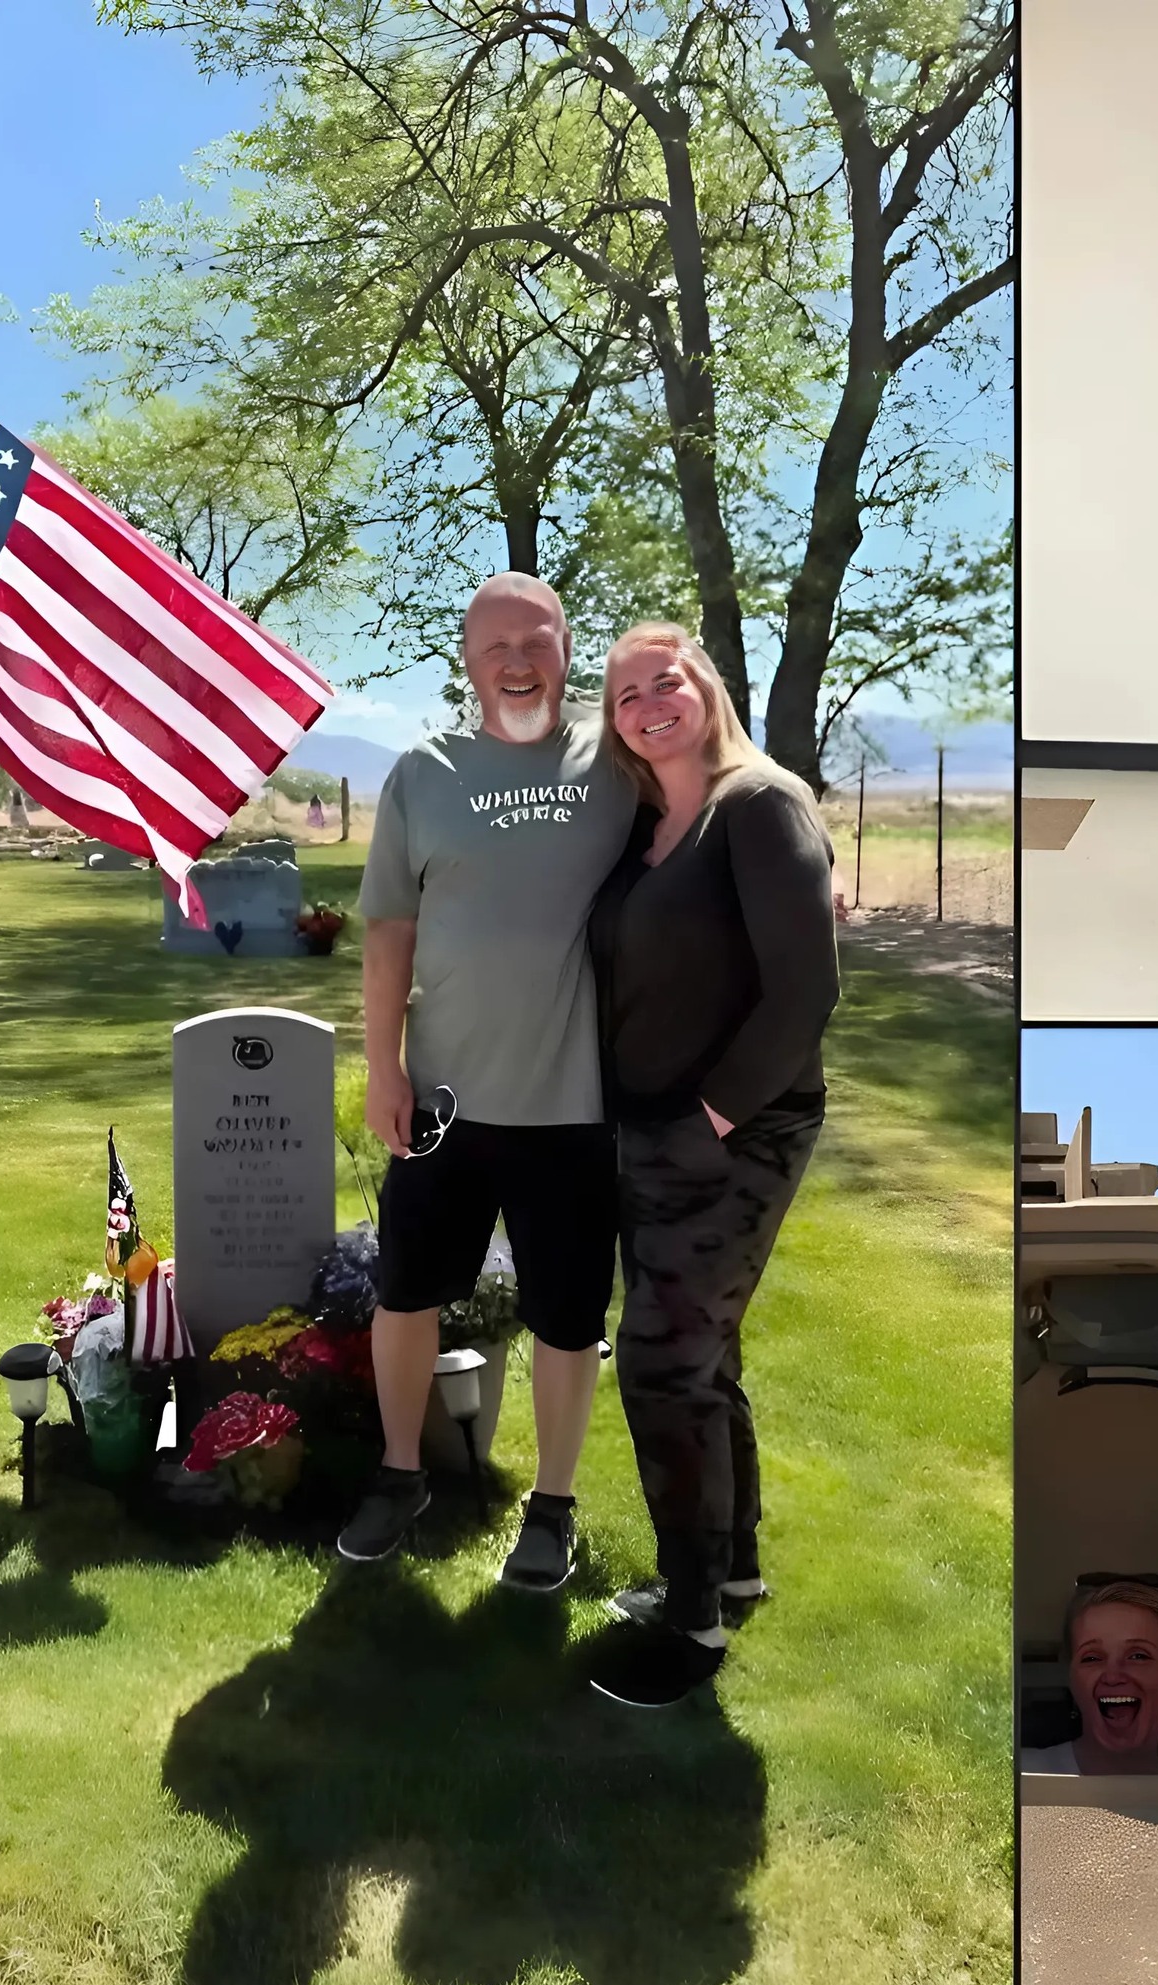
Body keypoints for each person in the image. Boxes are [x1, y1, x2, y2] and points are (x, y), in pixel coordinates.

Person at [337, 572, 637, 1585]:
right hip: (443, 1099)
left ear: (565, 647)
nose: (517, 659)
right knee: (404, 1292)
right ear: (465, 661)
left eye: (536, 639)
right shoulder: (423, 772)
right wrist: (382, 1063)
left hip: (575, 1103)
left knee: (565, 1314)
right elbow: (388, 928)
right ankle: (397, 1470)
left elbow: (722, 800)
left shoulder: (620, 756)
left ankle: (550, 1502)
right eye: (496, 644)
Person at [582, 623, 840, 1707]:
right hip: (642, 1127)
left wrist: (709, 1121)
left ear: (705, 688)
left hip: (736, 1129)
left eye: (664, 680)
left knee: (658, 1363)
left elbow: (804, 990)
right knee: (703, 1353)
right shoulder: (648, 821)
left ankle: (689, 1628)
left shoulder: (758, 802)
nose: (647, 701)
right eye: (626, 692)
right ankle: (730, 1565)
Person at [1021, 1577, 1158, 1776]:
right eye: (1092, 1657)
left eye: (1138, 1656)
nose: (1113, 1676)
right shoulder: (1019, 1776)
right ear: (1071, 1676)